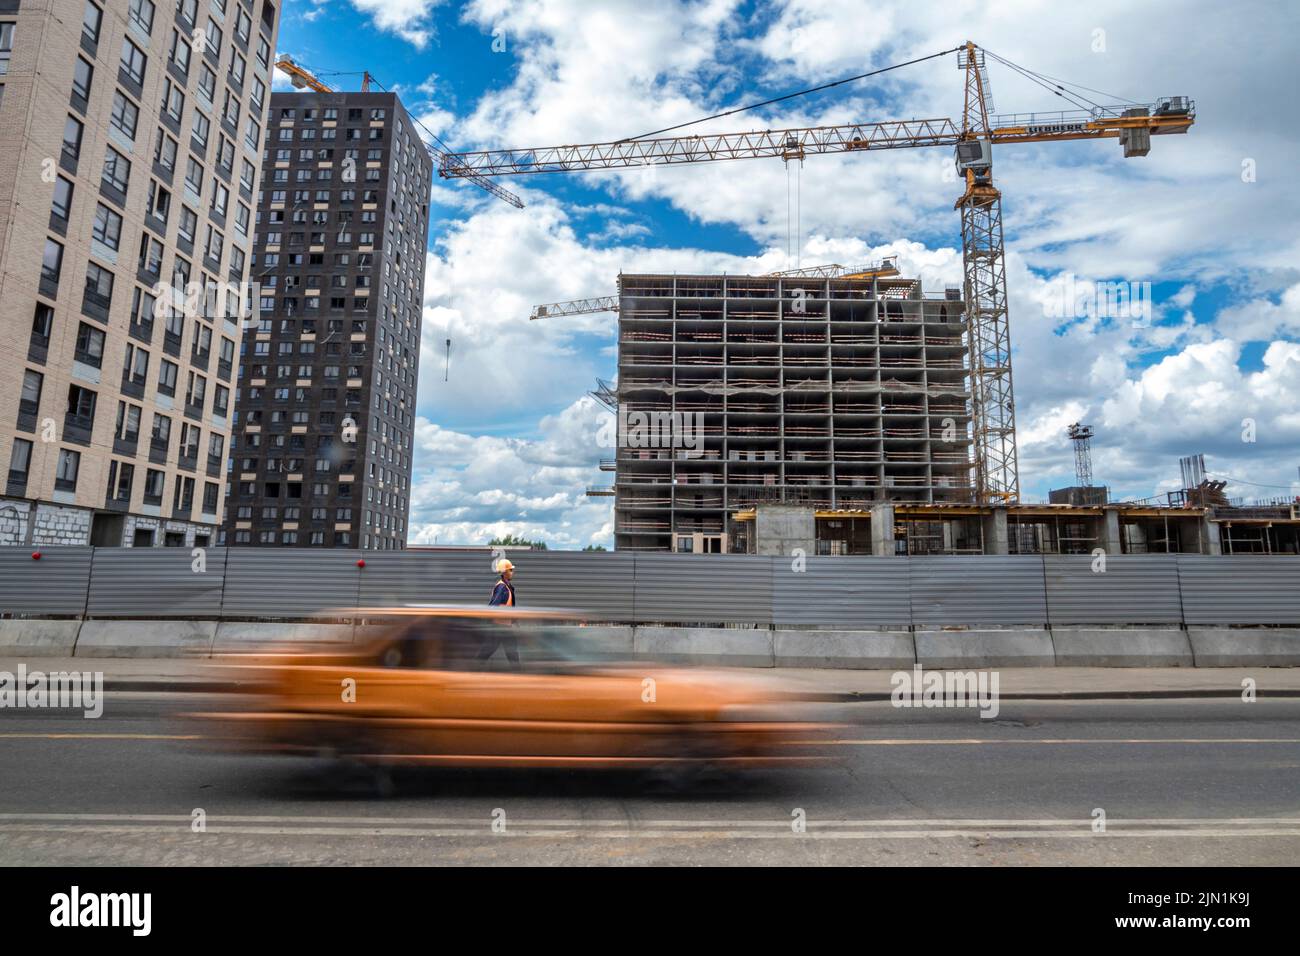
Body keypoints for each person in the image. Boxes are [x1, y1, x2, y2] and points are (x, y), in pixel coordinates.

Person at [480, 558, 520, 667]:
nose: (512, 572)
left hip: (504, 627)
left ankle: (519, 674)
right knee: (486, 652)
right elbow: (493, 606)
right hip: (499, 628)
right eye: (510, 570)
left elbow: (508, 606)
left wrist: (514, 622)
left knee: (512, 653)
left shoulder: (507, 587)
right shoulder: (502, 587)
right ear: (504, 572)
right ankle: (471, 671)